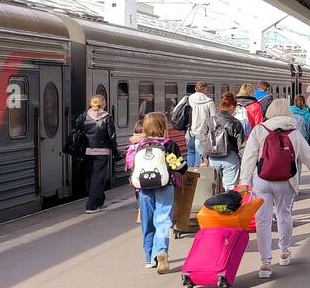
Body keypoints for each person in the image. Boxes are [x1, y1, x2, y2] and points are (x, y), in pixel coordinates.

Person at [239, 98, 310, 279]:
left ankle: (265, 262)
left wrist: (244, 182)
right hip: (286, 181)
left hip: (262, 181)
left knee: (262, 220)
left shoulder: (259, 130)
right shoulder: (294, 132)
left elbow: (249, 158)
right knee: (284, 214)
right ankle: (284, 251)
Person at [125, 111, 183, 274]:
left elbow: (130, 166)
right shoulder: (169, 144)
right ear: (163, 127)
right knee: (163, 220)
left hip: (143, 188)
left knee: (147, 221)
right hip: (165, 186)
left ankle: (149, 258)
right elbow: (179, 167)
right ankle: (161, 251)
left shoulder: (138, 145)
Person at [72, 93, 119, 213]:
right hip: (102, 152)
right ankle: (91, 205)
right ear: (104, 104)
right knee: (98, 179)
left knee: (91, 178)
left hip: (88, 152)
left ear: (90, 103)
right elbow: (112, 136)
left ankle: (100, 199)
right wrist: (115, 152)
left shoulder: (84, 116)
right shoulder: (107, 117)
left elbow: (76, 131)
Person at [203, 92, 246, 190]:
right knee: (230, 188)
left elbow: (203, 140)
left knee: (214, 188)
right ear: (231, 107)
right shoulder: (235, 123)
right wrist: (245, 162)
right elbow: (242, 145)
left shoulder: (209, 120)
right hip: (230, 158)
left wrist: (204, 158)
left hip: (212, 158)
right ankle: (228, 204)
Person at [183, 82, 216, 168]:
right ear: (205, 89)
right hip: (202, 132)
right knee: (199, 154)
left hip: (190, 131)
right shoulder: (209, 101)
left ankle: (189, 170)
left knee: (190, 152)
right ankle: (196, 172)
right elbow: (213, 118)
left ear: (196, 89)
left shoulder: (189, 99)